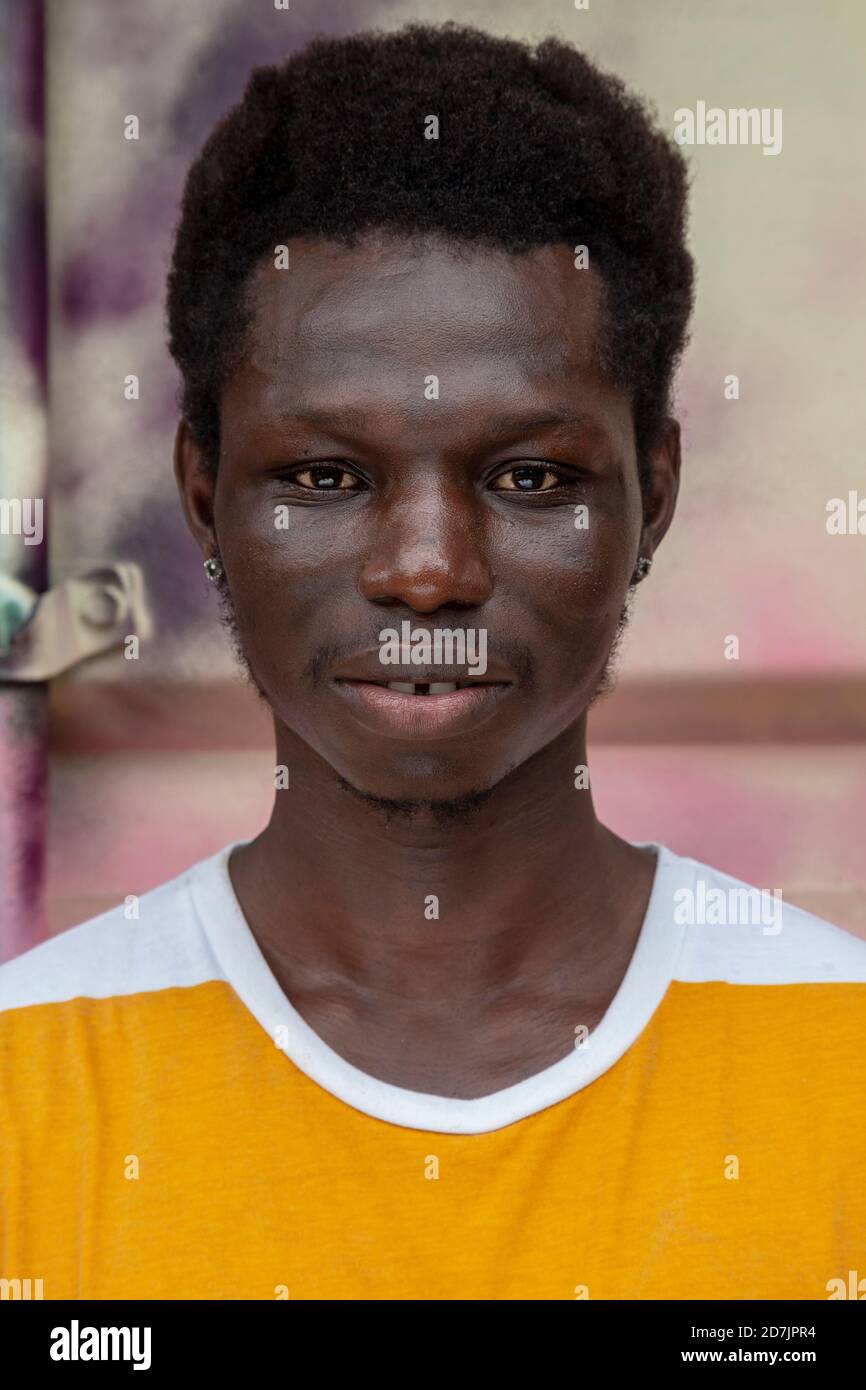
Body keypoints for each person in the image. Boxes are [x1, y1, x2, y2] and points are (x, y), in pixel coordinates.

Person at [2, 22, 864, 1302]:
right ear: (203, 495)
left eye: (527, 476)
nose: (425, 567)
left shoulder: (838, 1052)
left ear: (653, 493)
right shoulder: (29, 1079)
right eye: (324, 476)